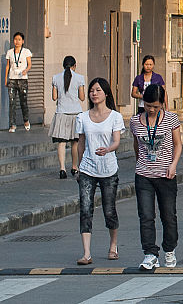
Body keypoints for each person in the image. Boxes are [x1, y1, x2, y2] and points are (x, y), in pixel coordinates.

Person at [131, 84, 182, 270]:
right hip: (143, 175)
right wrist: (140, 164)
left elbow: (178, 145)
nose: (151, 109)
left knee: (168, 215)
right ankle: (150, 253)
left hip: (166, 175)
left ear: (162, 104)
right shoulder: (135, 121)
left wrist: (173, 165)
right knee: (146, 215)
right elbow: (137, 146)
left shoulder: (171, 119)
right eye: (148, 105)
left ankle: (169, 249)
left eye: (155, 106)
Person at [74, 77, 123, 265]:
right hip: (87, 168)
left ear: (106, 94)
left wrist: (108, 149)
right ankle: (86, 253)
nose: (94, 93)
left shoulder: (115, 117)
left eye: (98, 90)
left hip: (109, 169)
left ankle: (113, 246)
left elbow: (116, 141)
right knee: (85, 209)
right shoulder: (83, 117)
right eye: (92, 90)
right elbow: (80, 143)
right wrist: (78, 167)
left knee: (109, 210)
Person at [50, 55, 86, 178]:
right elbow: (82, 97)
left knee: (61, 142)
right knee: (75, 143)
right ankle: (74, 167)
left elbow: (54, 97)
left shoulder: (55, 78)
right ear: (74, 66)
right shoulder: (80, 78)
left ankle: (62, 169)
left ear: (63, 65)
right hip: (75, 113)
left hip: (61, 113)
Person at [4, 32, 32, 132]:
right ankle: (12, 124)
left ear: (23, 41)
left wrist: (26, 70)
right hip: (12, 79)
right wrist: (6, 78)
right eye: (15, 39)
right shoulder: (10, 52)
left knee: (23, 102)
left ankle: (26, 120)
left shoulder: (26, 51)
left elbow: (29, 64)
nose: (17, 41)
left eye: (19, 39)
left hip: (23, 80)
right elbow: (8, 66)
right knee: (12, 103)